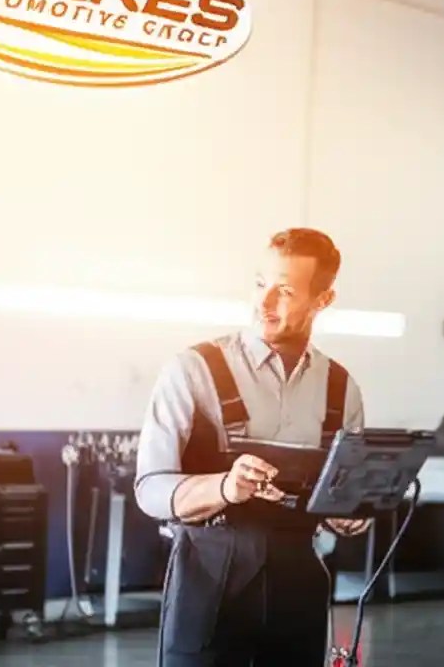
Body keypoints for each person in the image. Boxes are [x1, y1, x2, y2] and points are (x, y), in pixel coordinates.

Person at [134, 227, 369, 666]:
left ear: (322, 301)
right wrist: (224, 486)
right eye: (260, 283)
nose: (263, 304)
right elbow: (149, 489)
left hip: (298, 586)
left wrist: (349, 516)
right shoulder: (194, 371)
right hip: (208, 580)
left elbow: (345, 501)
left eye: (284, 291)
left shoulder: (342, 389)